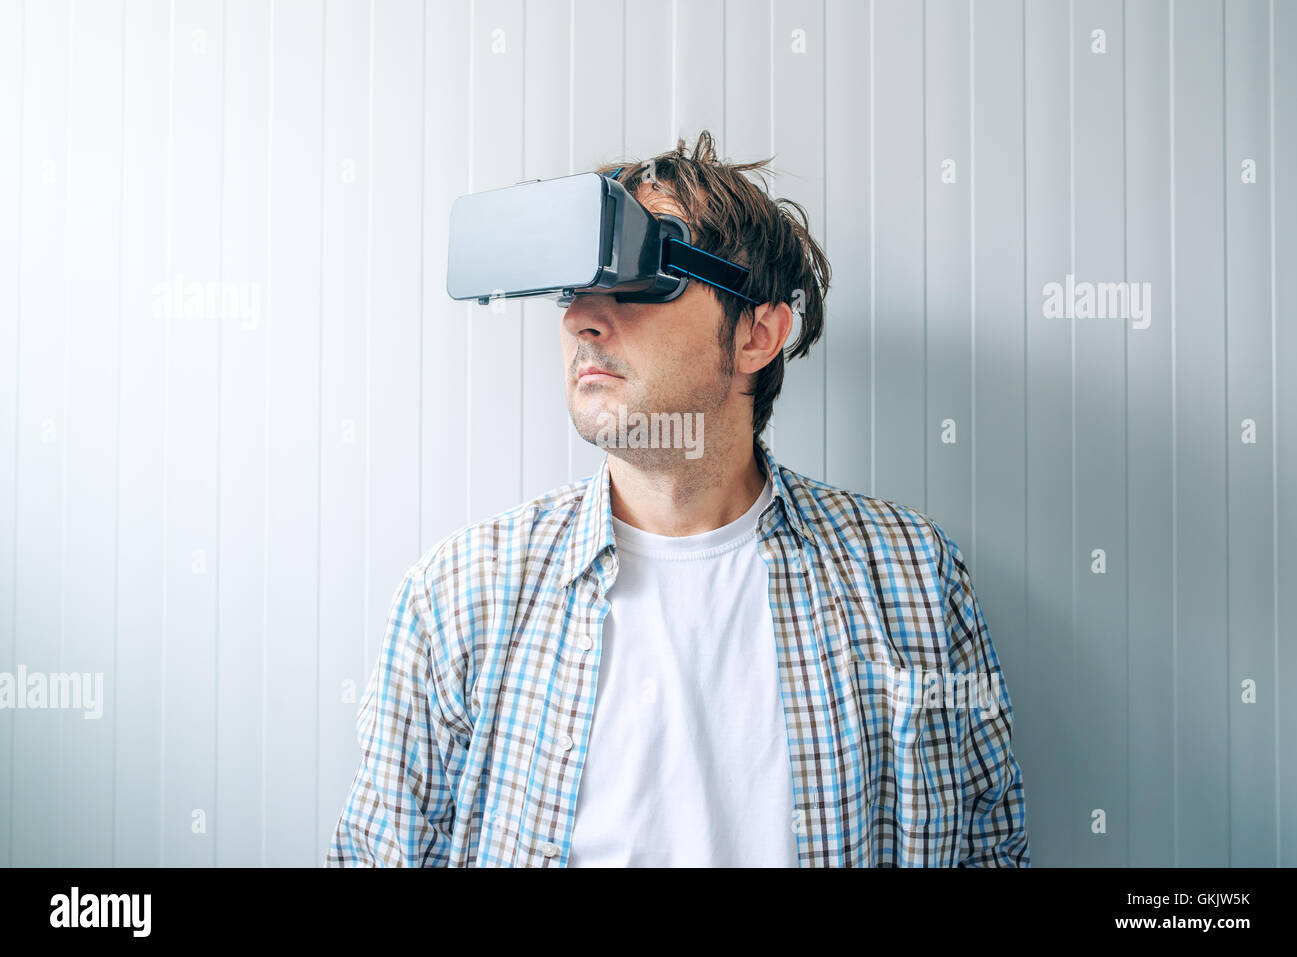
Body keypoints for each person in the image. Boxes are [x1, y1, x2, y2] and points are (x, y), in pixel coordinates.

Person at [326, 130, 1030, 867]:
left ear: (759, 333)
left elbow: (990, 844)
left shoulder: (914, 576)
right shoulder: (458, 596)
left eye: (639, 277)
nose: (581, 319)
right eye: (572, 287)